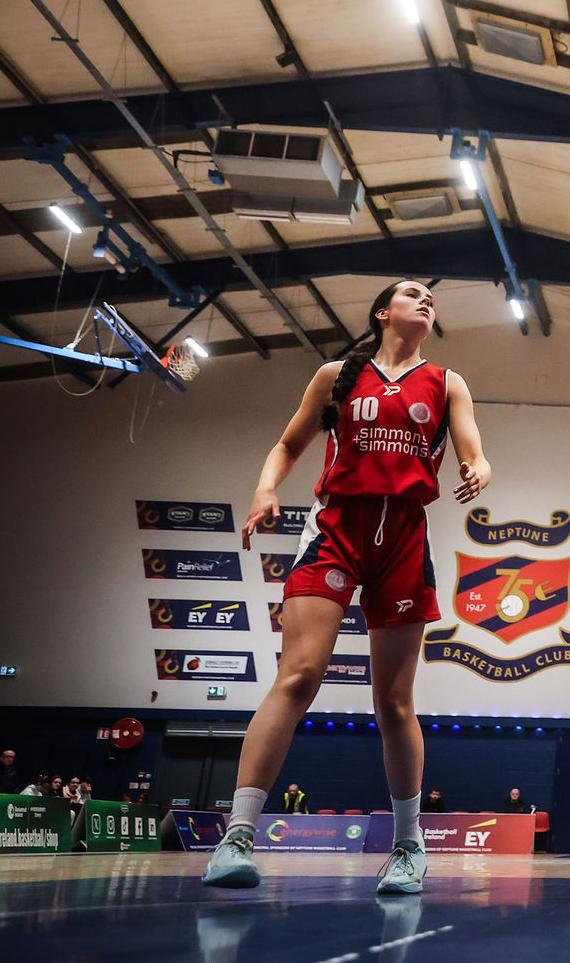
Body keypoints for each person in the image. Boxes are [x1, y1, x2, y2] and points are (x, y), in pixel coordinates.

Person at [203, 280, 491, 896]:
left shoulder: (448, 382)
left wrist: (478, 466)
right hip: (335, 528)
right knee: (300, 676)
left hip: (405, 537)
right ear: (383, 312)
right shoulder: (335, 373)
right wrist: (265, 487)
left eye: (429, 297)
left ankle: (409, 847)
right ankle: (238, 835)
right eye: (412, 293)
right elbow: (288, 443)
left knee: (393, 701)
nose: (426, 300)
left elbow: (473, 446)